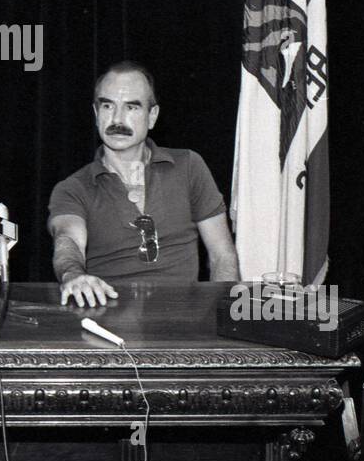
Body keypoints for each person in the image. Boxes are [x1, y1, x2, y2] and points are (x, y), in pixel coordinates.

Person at [48, 61, 239, 308]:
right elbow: (68, 240)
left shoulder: (189, 166)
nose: (117, 118)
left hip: (184, 323)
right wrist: (73, 275)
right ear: (96, 115)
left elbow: (222, 255)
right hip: (107, 326)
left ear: (152, 116)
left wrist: (221, 318)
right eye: (107, 106)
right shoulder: (73, 188)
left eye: (132, 107)